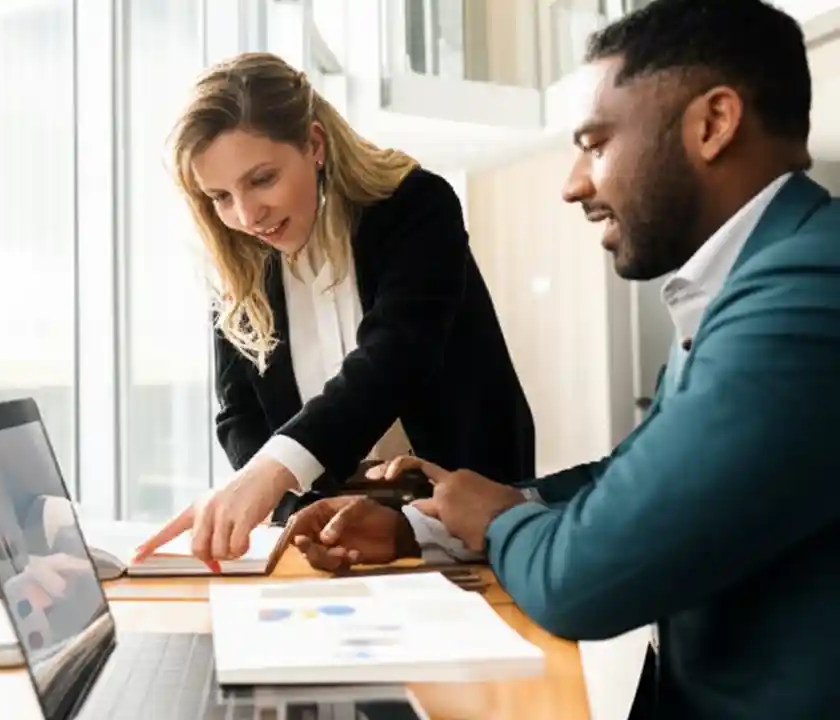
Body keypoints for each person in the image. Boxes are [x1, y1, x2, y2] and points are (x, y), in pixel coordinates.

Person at [288, 1, 840, 717]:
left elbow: (579, 581)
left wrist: (492, 521)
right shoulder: (754, 283)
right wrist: (424, 524)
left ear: (713, 123)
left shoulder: (805, 294)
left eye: (595, 143)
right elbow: (631, 479)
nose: (574, 182)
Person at [134, 52, 534, 569]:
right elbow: (239, 413)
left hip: (462, 505)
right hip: (336, 529)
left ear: (315, 146)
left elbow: (394, 359)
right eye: (220, 196)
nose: (246, 215)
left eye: (262, 179)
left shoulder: (417, 206)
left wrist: (268, 472)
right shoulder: (237, 259)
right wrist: (290, 506)